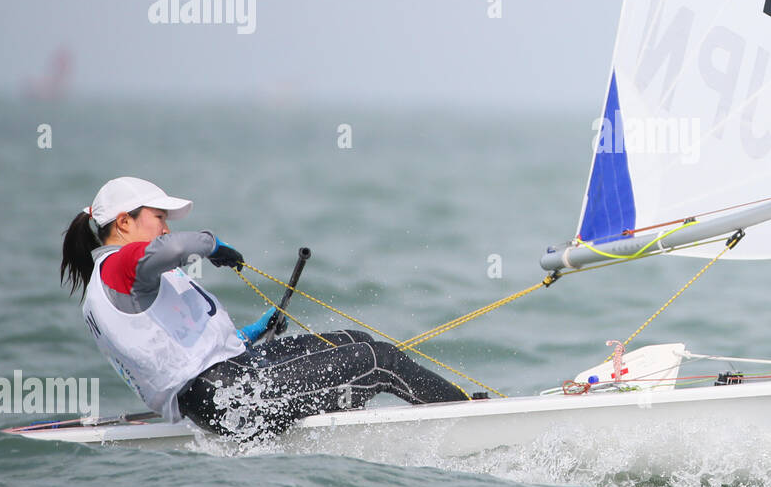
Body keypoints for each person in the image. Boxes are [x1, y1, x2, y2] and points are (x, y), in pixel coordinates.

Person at [60, 176, 468, 439]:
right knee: (377, 359)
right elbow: (182, 246)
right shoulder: (118, 265)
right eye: (157, 216)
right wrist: (214, 246)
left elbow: (174, 355)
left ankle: (441, 410)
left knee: (355, 340)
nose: (165, 227)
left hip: (228, 380)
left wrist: (251, 333)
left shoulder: (113, 284)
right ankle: (470, 417)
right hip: (226, 396)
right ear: (124, 223)